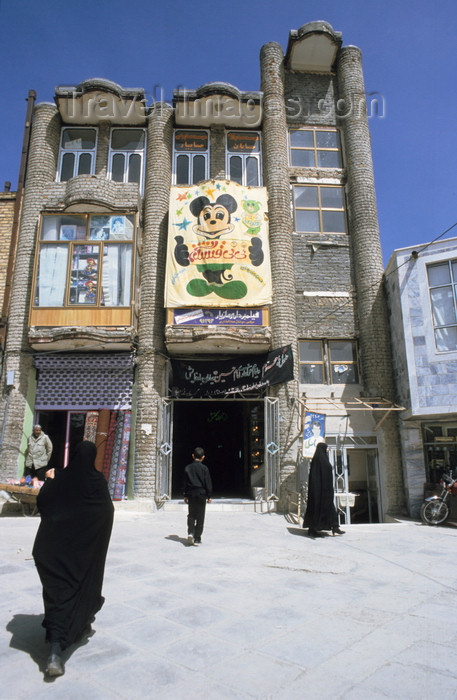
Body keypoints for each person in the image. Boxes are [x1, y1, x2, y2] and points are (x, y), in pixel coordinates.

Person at [32, 441, 114, 677]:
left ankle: (59, 646)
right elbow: (106, 512)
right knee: (80, 589)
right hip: (82, 553)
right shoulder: (97, 481)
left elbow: (43, 503)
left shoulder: (58, 477)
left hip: (52, 550)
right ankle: (58, 650)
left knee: (58, 595)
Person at [303, 441, 345, 538]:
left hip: (326, 490)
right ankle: (312, 529)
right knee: (316, 508)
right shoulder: (318, 460)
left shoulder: (323, 459)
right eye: (325, 448)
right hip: (318, 491)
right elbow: (315, 477)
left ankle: (335, 527)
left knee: (330, 508)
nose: (327, 450)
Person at [183, 447, 212, 546]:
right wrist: (209, 495)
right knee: (200, 516)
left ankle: (191, 532)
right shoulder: (204, 469)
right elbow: (207, 482)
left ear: (193, 456)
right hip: (201, 494)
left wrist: (185, 495)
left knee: (191, 514)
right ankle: (197, 538)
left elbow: (185, 483)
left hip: (191, 494)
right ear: (203, 457)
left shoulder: (188, 468)